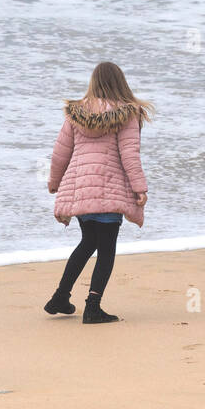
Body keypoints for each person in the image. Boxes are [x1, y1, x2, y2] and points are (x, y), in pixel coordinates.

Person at [45, 61, 152, 324]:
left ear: (93, 83)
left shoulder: (75, 113)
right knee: (106, 248)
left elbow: (61, 153)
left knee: (87, 243)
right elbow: (130, 155)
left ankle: (60, 296)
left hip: (81, 188)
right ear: (120, 83)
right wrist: (139, 187)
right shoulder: (127, 113)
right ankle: (92, 306)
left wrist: (54, 182)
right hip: (110, 190)